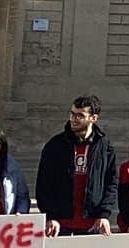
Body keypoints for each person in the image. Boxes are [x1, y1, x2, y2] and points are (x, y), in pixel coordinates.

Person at [36, 94, 119, 237]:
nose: (74, 119)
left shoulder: (104, 146)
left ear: (93, 118)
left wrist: (104, 214)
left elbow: (111, 183)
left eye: (80, 115)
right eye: (72, 114)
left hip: (93, 224)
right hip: (60, 224)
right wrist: (51, 216)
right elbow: (44, 184)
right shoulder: (55, 145)